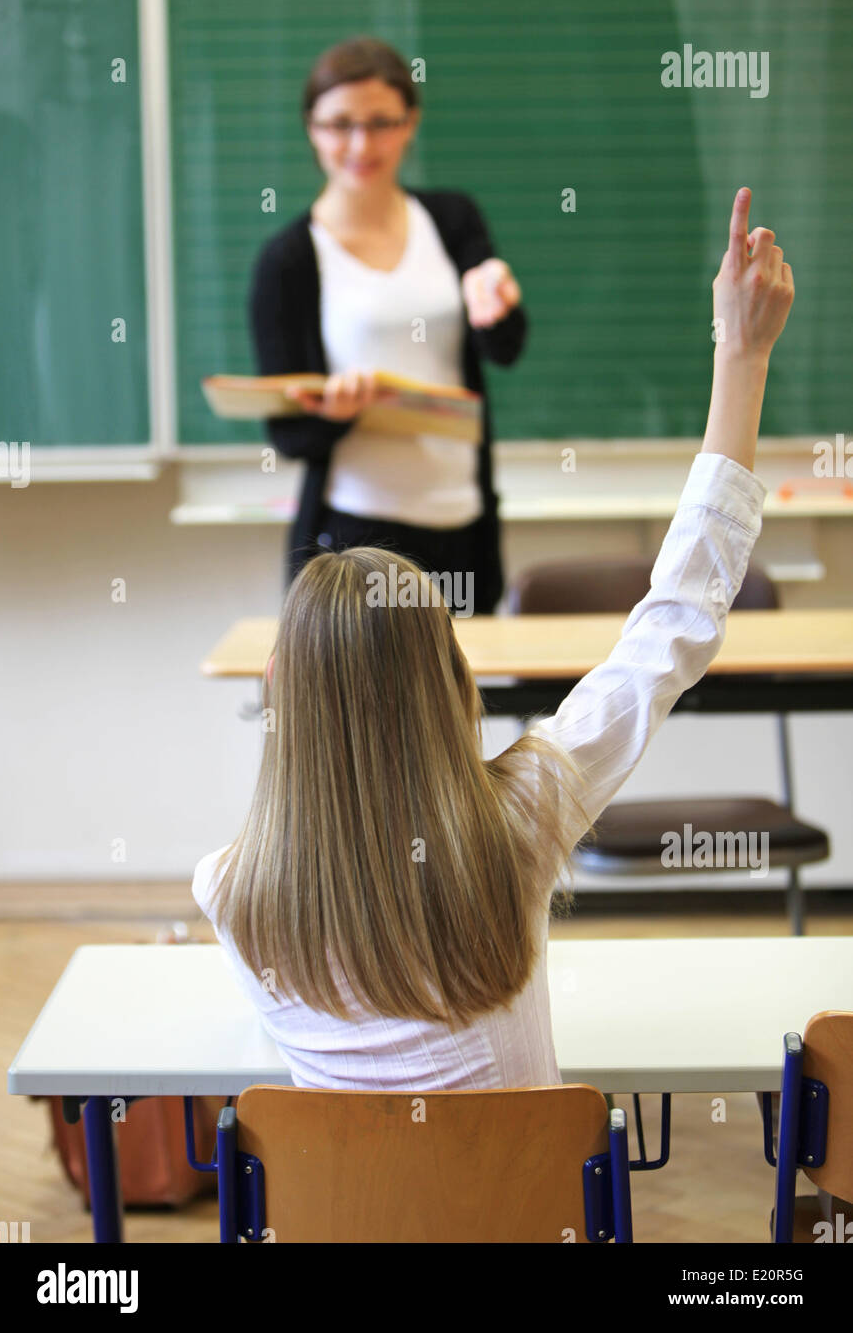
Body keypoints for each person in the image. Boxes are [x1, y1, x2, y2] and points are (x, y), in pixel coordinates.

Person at [196, 188, 794, 1091]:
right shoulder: (522, 819)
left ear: (281, 690)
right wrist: (741, 355)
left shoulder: (228, 891)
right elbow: (679, 615)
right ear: (451, 675)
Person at [248, 37, 526, 614]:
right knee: (362, 704)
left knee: (456, 701)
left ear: (410, 124)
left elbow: (506, 348)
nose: (360, 144)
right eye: (339, 124)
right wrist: (335, 415)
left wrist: (497, 303)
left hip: (461, 519)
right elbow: (288, 436)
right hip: (352, 536)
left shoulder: (452, 220)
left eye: (381, 123)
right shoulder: (288, 261)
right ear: (311, 128)